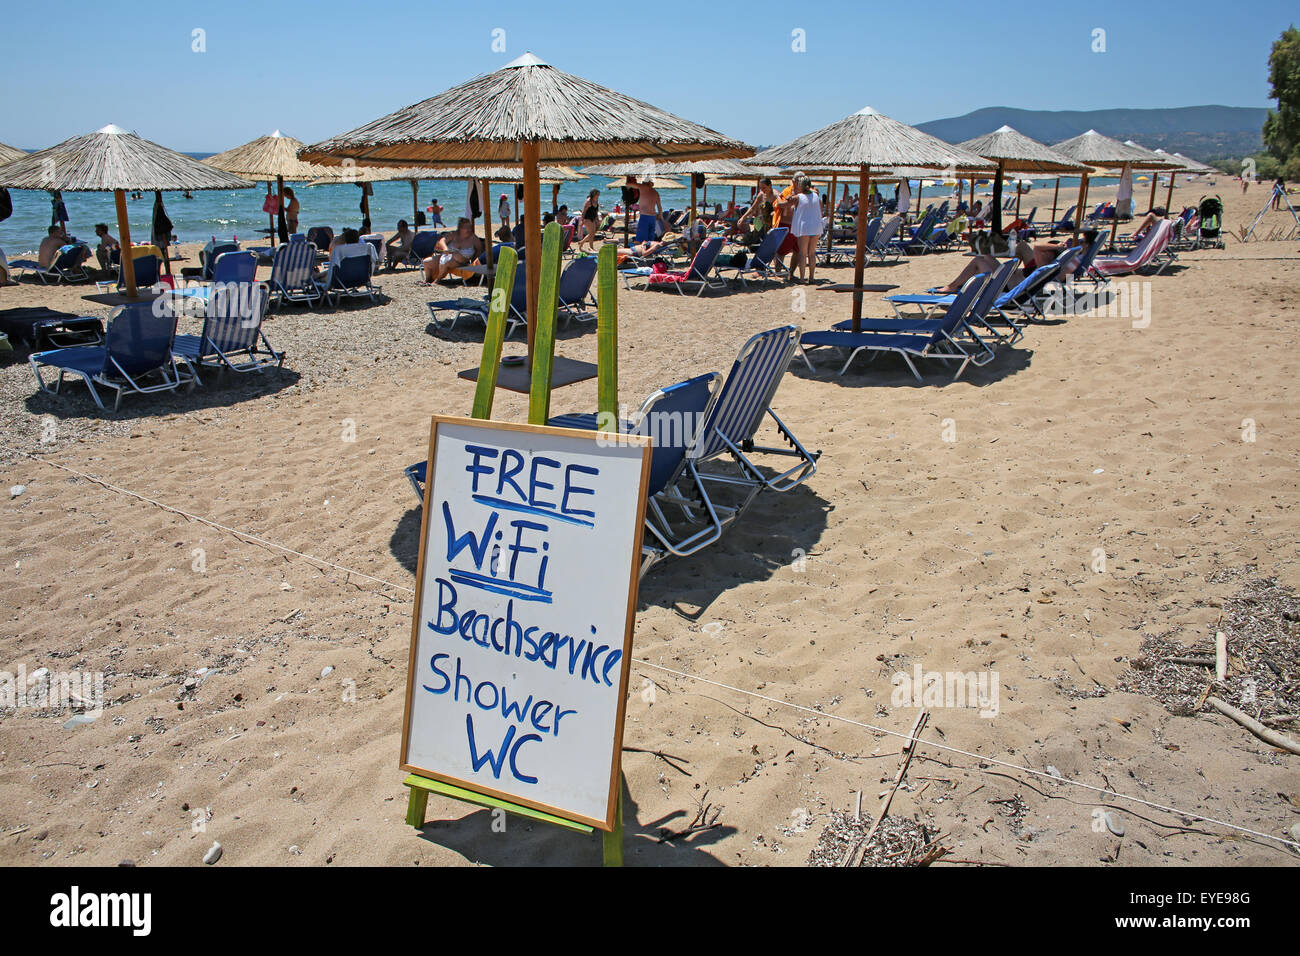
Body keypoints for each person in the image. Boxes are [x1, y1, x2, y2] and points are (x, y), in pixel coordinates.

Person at [423, 217, 482, 284]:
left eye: (469, 227)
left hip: (460, 262)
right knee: (426, 262)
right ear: (460, 228)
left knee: (447, 262)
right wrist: (445, 248)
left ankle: (437, 280)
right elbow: (442, 240)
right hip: (446, 257)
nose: (469, 229)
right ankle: (428, 279)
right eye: (466, 227)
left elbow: (478, 251)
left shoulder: (474, 238)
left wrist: (474, 263)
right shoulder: (454, 234)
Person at [788, 174, 823, 283]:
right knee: (812, 253)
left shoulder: (799, 197)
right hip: (816, 227)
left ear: (800, 185)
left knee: (802, 253)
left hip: (804, 227)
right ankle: (811, 277)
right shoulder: (816, 196)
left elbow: (787, 201)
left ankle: (802, 278)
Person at [734, 177, 777, 249]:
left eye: (764, 188)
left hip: (770, 223)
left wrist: (771, 214)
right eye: (760, 188)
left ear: (770, 186)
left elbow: (780, 209)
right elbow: (753, 207)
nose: (762, 190)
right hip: (759, 221)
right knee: (755, 238)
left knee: (767, 242)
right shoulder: (761, 194)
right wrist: (743, 218)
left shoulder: (775, 195)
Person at [633, 176, 664, 243]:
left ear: (644, 183)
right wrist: (660, 217)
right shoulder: (655, 192)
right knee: (650, 240)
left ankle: (641, 252)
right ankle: (649, 252)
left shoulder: (643, 188)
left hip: (644, 216)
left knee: (640, 240)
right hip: (653, 217)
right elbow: (659, 207)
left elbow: (630, 184)